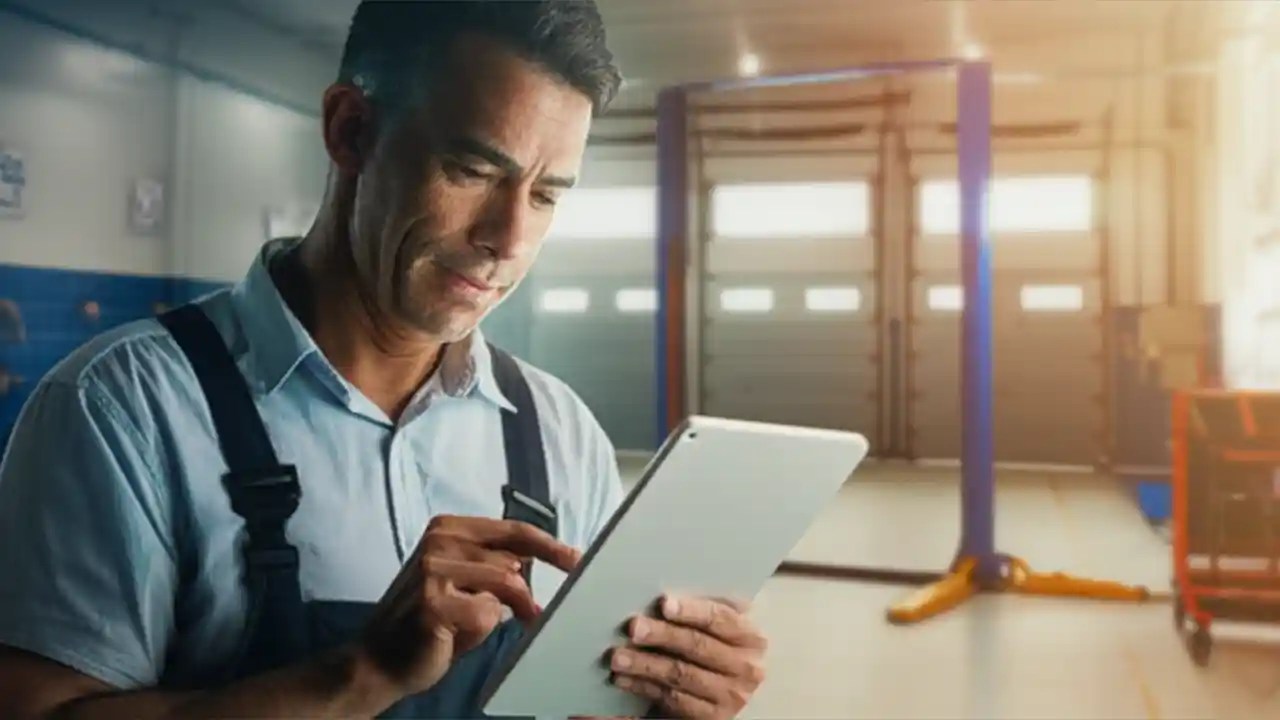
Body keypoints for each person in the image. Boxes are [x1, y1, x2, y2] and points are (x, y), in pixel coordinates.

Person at [0, 2, 769, 718]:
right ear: (350, 131)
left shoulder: (561, 436)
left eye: (545, 196)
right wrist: (359, 675)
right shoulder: (121, 410)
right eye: (472, 171)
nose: (508, 238)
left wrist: (665, 694)